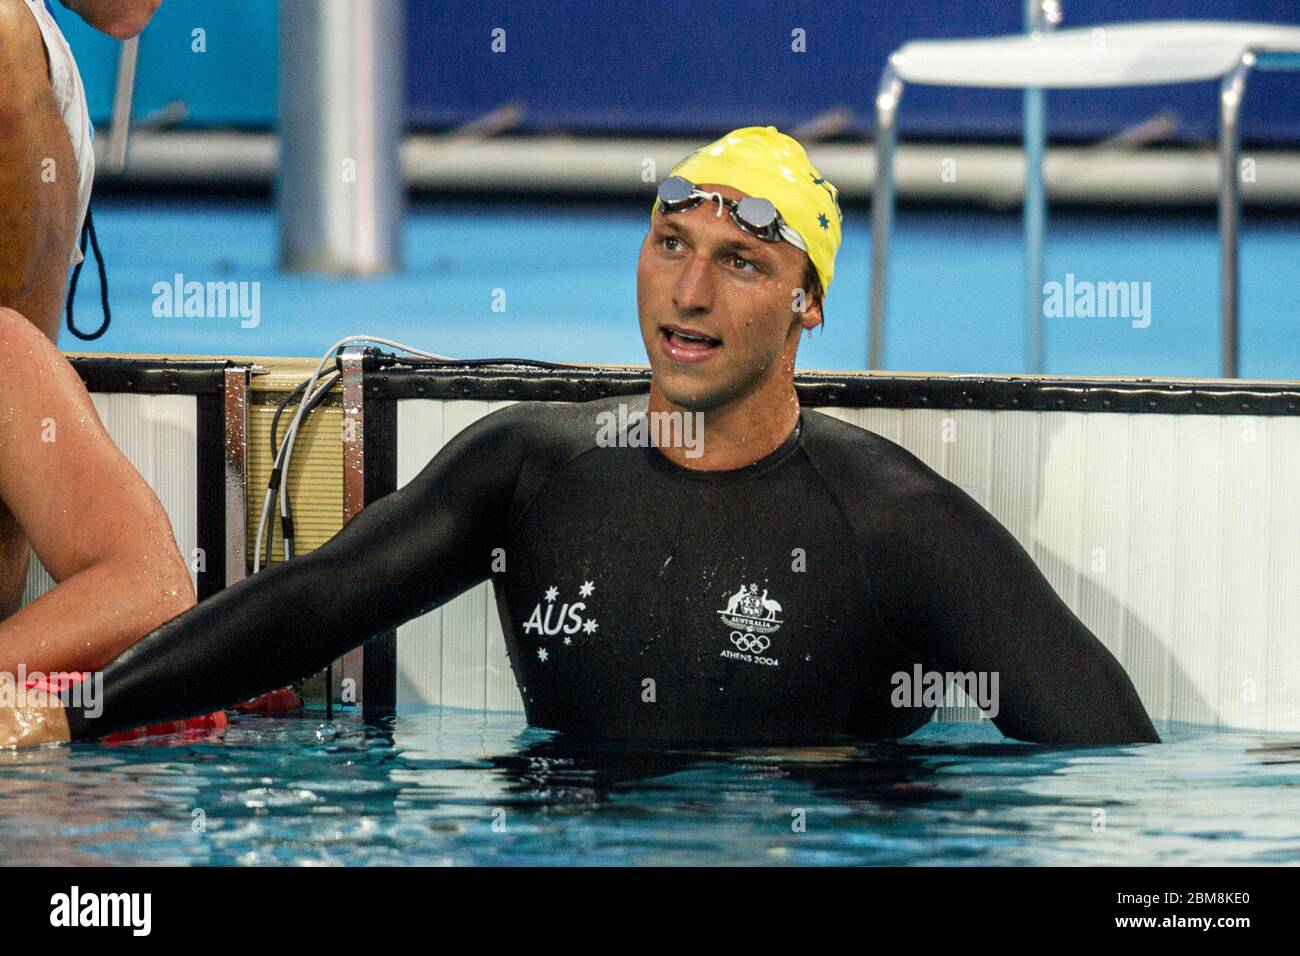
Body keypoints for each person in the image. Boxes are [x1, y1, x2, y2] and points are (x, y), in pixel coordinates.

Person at [0, 126, 1160, 748]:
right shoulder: (531, 469)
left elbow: (1110, 765)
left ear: (807, 303)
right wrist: (78, 710)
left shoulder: (895, 526)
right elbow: (307, 604)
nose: (688, 291)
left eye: (741, 261)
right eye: (669, 245)